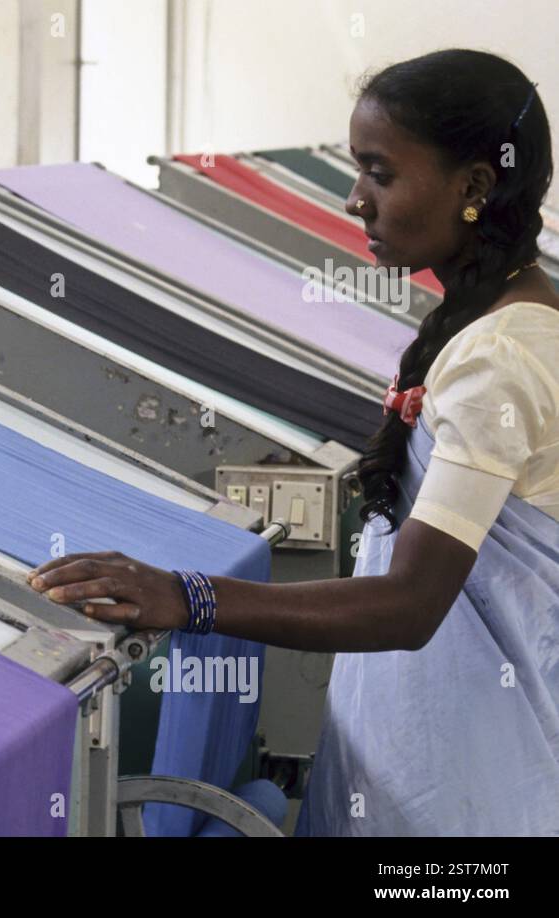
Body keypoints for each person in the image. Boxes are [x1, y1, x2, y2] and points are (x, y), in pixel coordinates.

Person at [27, 49, 559, 836]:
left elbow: (410, 604)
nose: (356, 200)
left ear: (474, 187)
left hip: (469, 810)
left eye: (380, 174)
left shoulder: (502, 358)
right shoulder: (495, 324)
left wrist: (190, 596)